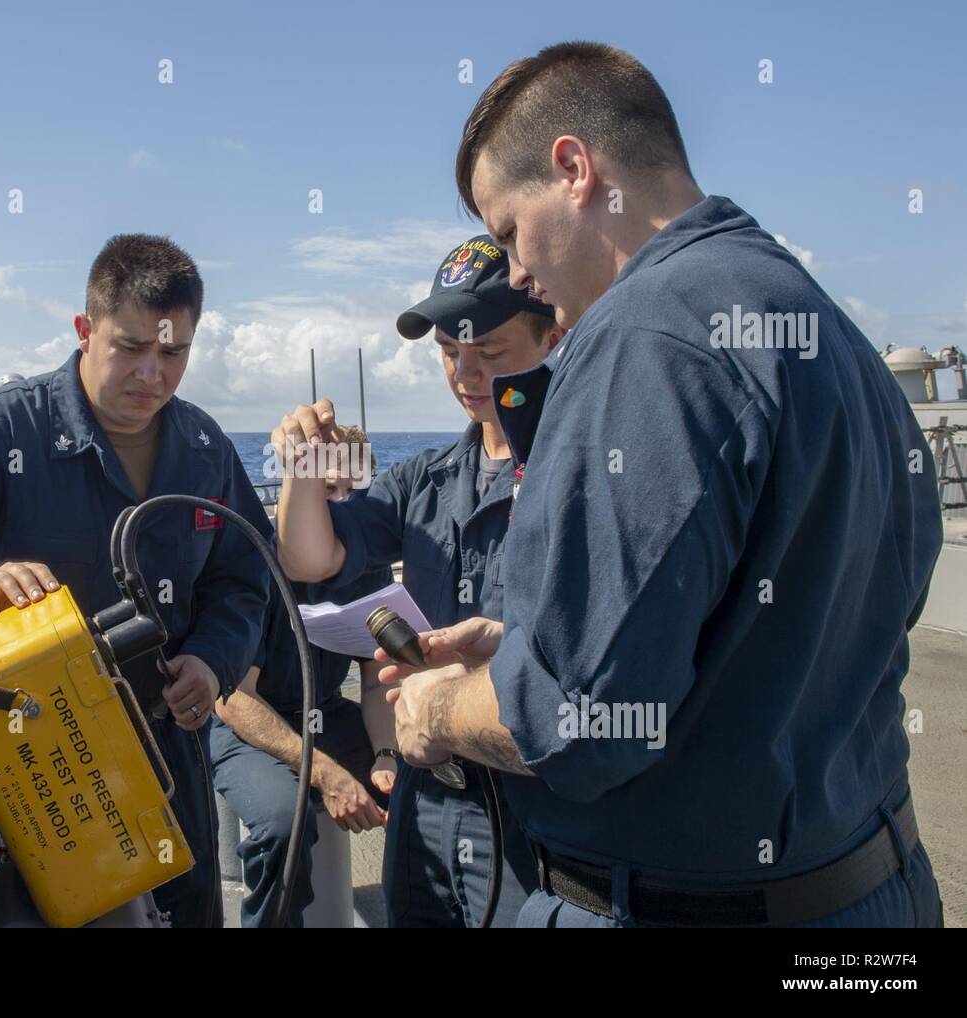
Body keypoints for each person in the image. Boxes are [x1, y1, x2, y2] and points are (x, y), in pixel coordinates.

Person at [383, 41, 944, 927]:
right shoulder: (817, 321)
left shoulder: (642, 336)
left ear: (574, 170)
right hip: (873, 889)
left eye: (509, 230)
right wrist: (533, 645)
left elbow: (583, 718)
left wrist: (440, 707)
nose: (517, 273)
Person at [0, 233, 271, 927]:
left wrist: (213, 661)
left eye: (173, 353)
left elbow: (243, 580)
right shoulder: (5, 429)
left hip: (168, 752)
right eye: (131, 347)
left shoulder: (206, 449)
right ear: (85, 330)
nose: (152, 373)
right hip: (37, 760)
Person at [271, 236, 563, 927]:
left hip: (533, 805)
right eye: (448, 352)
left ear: (553, 336)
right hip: (426, 792)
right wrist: (303, 467)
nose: (465, 373)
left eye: (488, 351)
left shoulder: (572, 471)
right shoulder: (423, 480)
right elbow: (309, 559)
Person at [211, 425, 393, 927]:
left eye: (353, 490)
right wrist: (325, 773)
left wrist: (387, 756)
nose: (341, 503)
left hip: (328, 712)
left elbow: (376, 680)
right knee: (282, 823)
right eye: (328, 488)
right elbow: (234, 699)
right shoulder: (255, 561)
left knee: (427, 783)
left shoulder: (366, 565)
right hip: (248, 725)